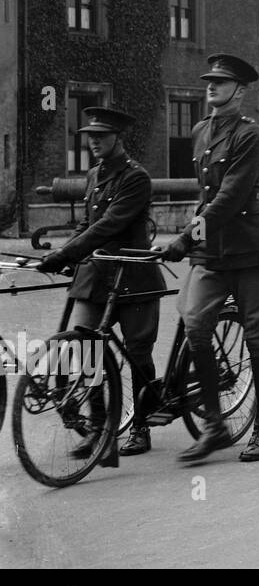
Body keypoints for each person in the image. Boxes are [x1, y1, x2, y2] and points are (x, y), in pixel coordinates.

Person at [158, 55, 259, 463]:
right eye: (210, 80)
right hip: (211, 250)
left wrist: (184, 238)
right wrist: (191, 237)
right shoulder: (199, 130)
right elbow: (206, 194)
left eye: (222, 82)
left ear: (240, 91)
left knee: (256, 338)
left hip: (250, 250)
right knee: (195, 325)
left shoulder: (251, 136)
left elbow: (230, 196)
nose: (212, 86)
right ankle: (214, 425)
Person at [37, 107, 164, 458]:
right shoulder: (94, 175)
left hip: (133, 275)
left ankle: (141, 425)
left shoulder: (135, 177)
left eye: (101, 136)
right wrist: (67, 254)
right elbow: (87, 224)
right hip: (97, 276)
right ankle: (99, 428)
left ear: (118, 138)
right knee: (84, 347)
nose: (93, 142)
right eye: (90, 137)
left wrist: (66, 255)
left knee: (138, 353)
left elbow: (109, 224)